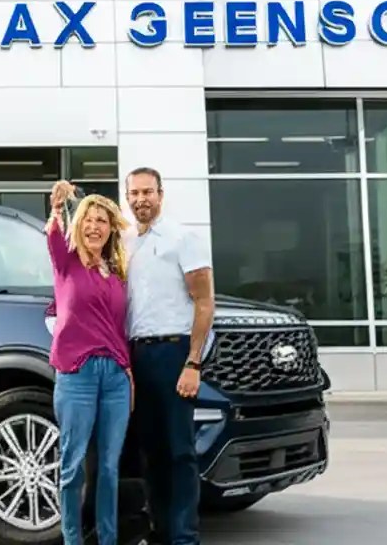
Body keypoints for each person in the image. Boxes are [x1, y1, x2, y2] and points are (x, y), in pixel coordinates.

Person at [122, 167, 215, 545]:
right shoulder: (125, 243)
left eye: (148, 192)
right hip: (137, 356)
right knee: (150, 451)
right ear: (126, 197)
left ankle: (184, 537)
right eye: (134, 193)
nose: (141, 199)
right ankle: (159, 532)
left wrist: (193, 362)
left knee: (180, 451)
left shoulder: (183, 238)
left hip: (175, 354)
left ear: (161, 194)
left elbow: (205, 303)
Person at [45, 179, 135, 545]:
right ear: (79, 224)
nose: (95, 226)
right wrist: (56, 207)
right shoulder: (65, 262)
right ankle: (72, 539)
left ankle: (108, 540)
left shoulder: (117, 274)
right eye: (89, 219)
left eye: (102, 220)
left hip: (115, 375)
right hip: (77, 373)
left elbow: (118, 326)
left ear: (111, 228)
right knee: (72, 466)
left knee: (110, 468)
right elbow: (53, 233)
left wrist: (128, 370)